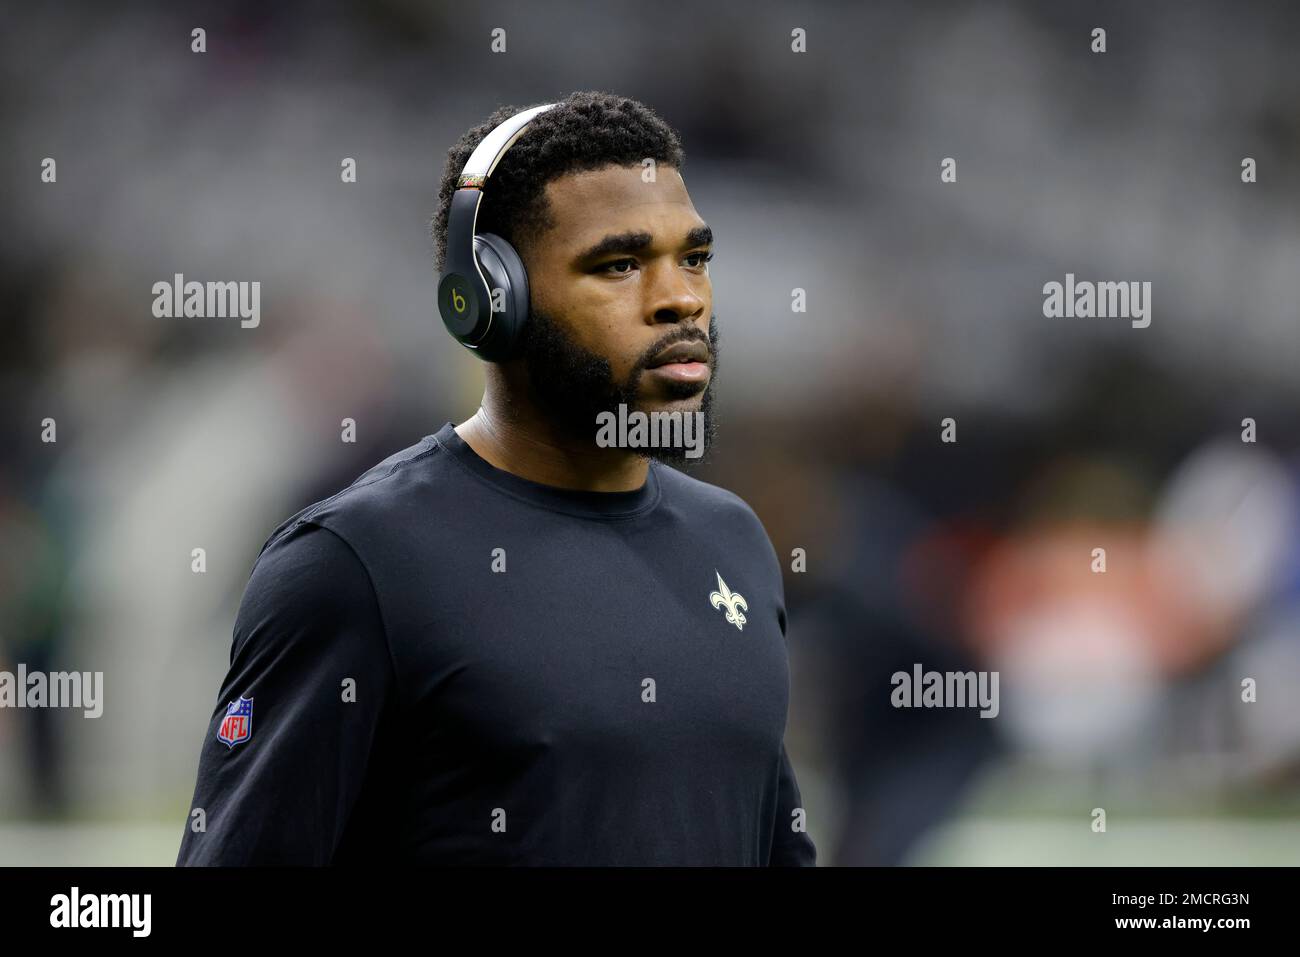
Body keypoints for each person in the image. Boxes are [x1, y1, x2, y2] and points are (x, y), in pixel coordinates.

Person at [176, 91, 816, 865]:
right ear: (488, 299)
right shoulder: (355, 565)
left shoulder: (733, 540)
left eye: (695, 258)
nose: (681, 297)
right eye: (619, 265)